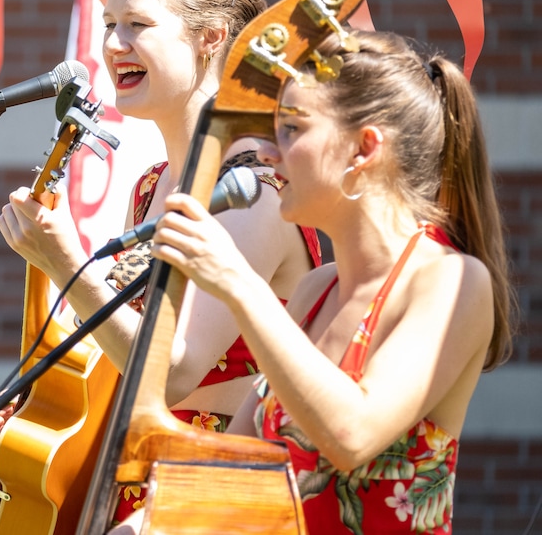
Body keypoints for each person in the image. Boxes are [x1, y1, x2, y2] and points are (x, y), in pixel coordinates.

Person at [0, 0, 322, 522]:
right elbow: (118, 357)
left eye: (137, 23)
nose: (114, 44)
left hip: (205, 492)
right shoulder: (151, 186)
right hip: (128, 473)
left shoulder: (257, 191)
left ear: (211, 36)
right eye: (110, 22)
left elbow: (176, 373)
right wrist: (30, 406)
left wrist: (65, 264)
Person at [150, 29, 514, 533]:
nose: (270, 153)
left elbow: (352, 434)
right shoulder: (314, 290)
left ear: (364, 149)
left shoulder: (453, 280)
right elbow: (228, 468)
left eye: (292, 130)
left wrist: (238, 282)